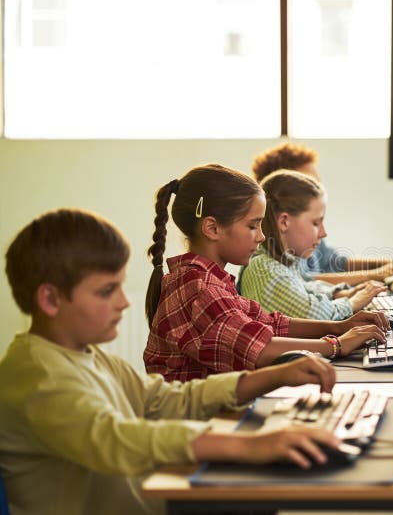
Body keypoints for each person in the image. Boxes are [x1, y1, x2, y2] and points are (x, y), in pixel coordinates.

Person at [0, 208, 344, 515]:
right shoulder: (37, 376)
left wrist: (276, 376)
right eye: (106, 291)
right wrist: (251, 445)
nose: (123, 302)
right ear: (50, 298)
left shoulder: (87, 356)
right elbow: (116, 438)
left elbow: (164, 400)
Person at [144, 164, 387, 382]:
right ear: (212, 228)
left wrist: (338, 326)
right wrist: (337, 345)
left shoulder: (210, 280)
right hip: (199, 421)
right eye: (252, 226)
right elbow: (258, 347)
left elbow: (271, 324)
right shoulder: (198, 289)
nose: (261, 236)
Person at [251, 142, 393, 286]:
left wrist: (392, 264)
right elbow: (303, 281)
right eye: (308, 184)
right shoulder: (269, 247)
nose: (317, 190)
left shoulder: (308, 234)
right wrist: (373, 275)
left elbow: (336, 263)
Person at [240, 170, 385, 320]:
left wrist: (339, 293)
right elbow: (312, 315)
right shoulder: (264, 268)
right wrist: (352, 303)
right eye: (316, 223)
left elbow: (306, 287)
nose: (323, 233)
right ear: (284, 222)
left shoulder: (284, 260)